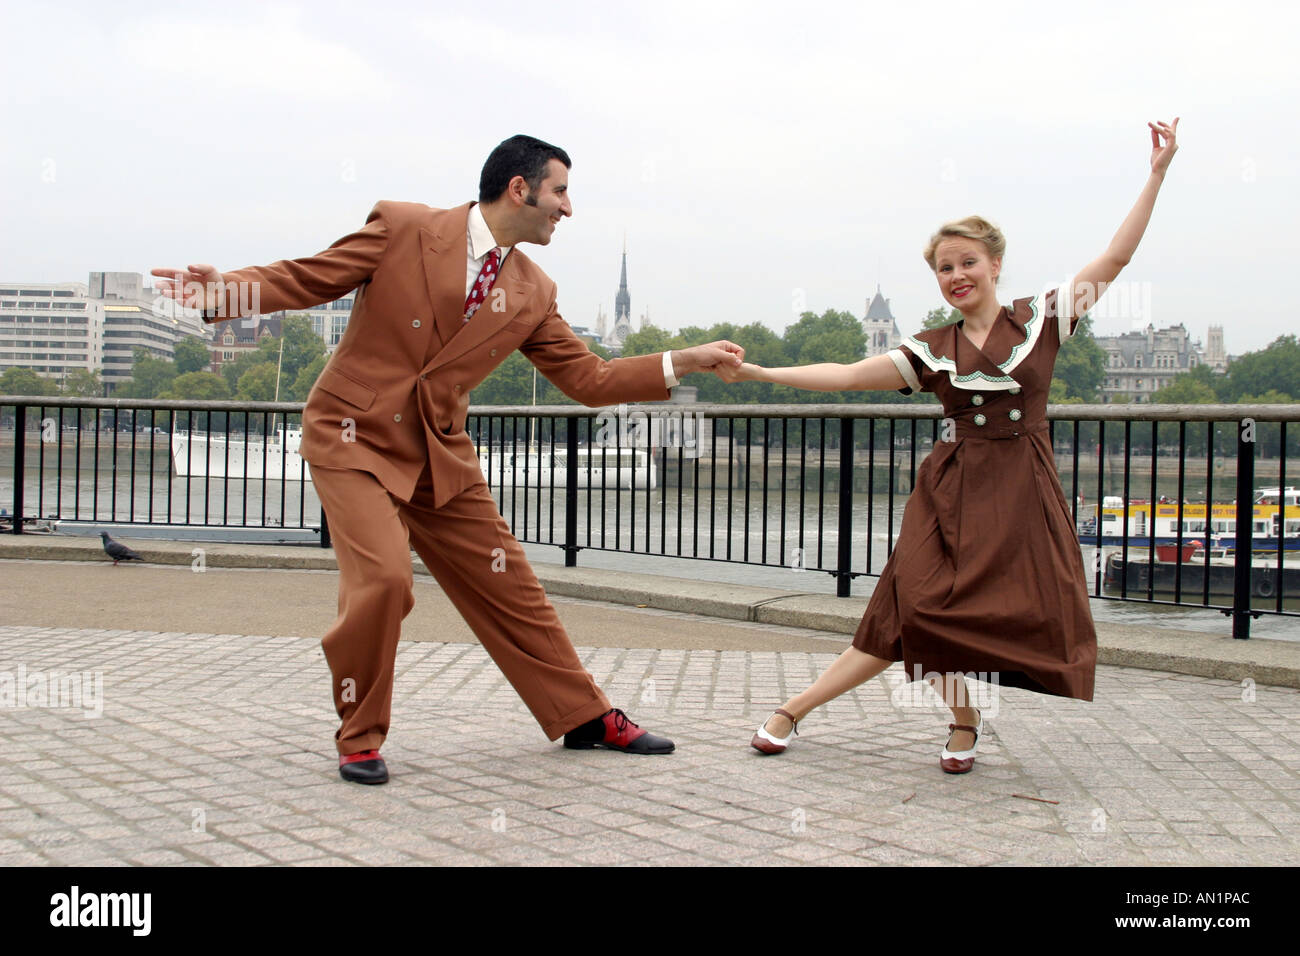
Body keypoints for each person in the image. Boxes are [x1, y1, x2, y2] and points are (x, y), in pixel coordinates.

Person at [154, 135, 743, 784]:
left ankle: (583, 714)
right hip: (354, 438)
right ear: (520, 190)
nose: (568, 210)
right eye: (561, 192)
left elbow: (590, 378)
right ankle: (360, 734)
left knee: (511, 586)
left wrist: (681, 362)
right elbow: (304, 278)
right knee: (383, 581)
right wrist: (223, 295)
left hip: (438, 454)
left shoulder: (531, 290)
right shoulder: (405, 228)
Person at [719, 119, 1179, 774]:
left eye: (968, 263)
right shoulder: (932, 348)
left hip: (1022, 488)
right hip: (954, 489)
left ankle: (915, 719)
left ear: (995, 265)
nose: (957, 275)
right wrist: (761, 373)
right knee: (918, 604)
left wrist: (1156, 175)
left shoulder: (1041, 318)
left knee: (957, 615)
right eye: (944, 268)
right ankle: (895, 715)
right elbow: (850, 377)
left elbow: (1117, 258)